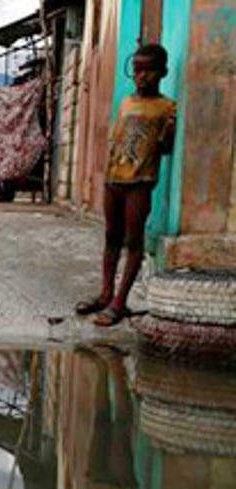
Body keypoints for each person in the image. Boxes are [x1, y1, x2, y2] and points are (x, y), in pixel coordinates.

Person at [76, 44, 176, 326]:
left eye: (148, 70)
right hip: (114, 178)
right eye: (137, 70)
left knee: (133, 240)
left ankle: (119, 302)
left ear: (163, 72)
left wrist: (168, 133)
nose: (141, 76)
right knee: (111, 237)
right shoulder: (126, 102)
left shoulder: (167, 107)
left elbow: (165, 148)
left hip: (140, 182)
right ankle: (105, 293)